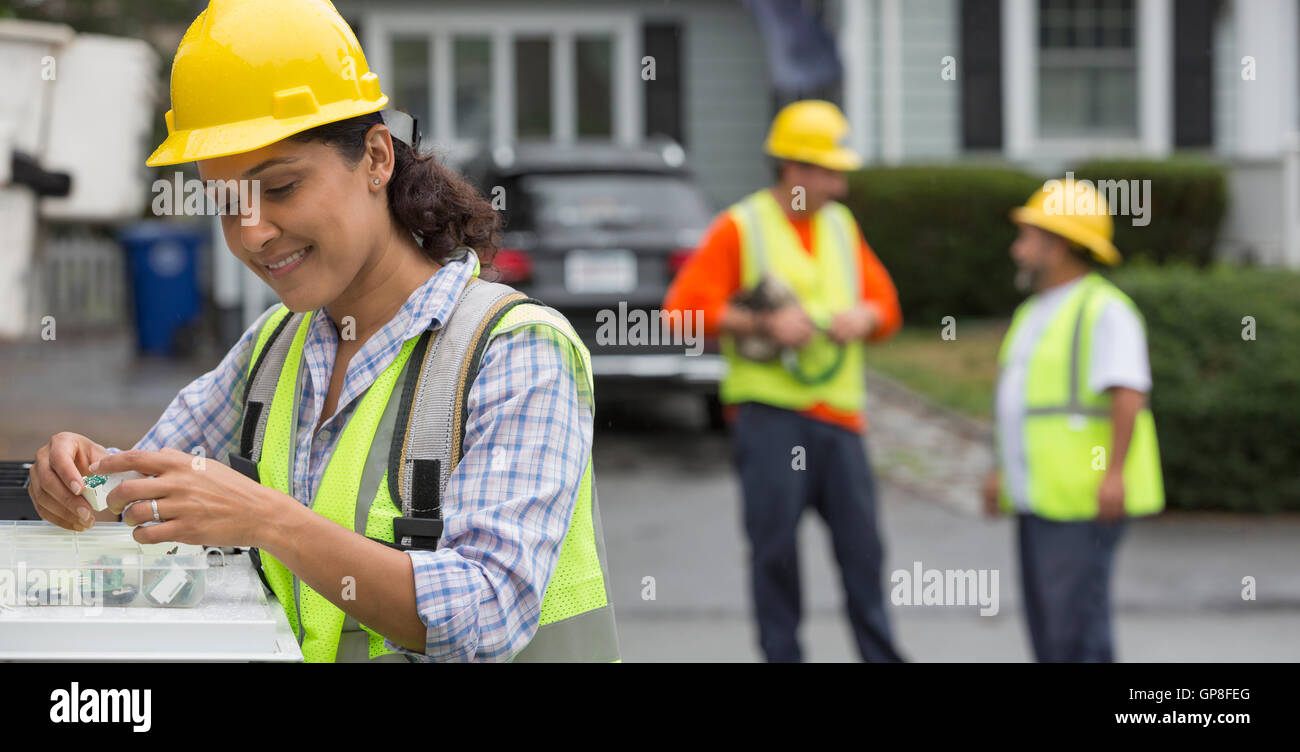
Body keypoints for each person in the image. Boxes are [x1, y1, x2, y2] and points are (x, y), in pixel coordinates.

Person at [24, 0, 618, 663]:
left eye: (279, 188)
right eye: (227, 204)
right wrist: (81, 479)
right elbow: (147, 489)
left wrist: (267, 519)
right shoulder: (272, 350)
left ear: (374, 157)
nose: (251, 233)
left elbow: (487, 614)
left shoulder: (514, 354)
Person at [664, 100, 904, 662]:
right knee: (775, 556)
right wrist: (764, 323)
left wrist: (865, 317)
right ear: (793, 169)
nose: (840, 185)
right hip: (769, 418)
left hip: (840, 421)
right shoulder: (741, 227)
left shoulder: (842, 227)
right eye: (829, 171)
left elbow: (887, 306)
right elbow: (682, 313)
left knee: (863, 554)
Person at [982, 179, 1164, 662]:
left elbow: (1128, 394)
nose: (1016, 249)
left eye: (1027, 237)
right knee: (1051, 630)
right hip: (1039, 496)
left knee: (1076, 633)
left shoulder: (1104, 311)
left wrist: (1115, 474)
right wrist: (1002, 470)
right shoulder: (1034, 313)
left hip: (1082, 501)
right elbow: (1020, 403)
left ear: (1057, 244)